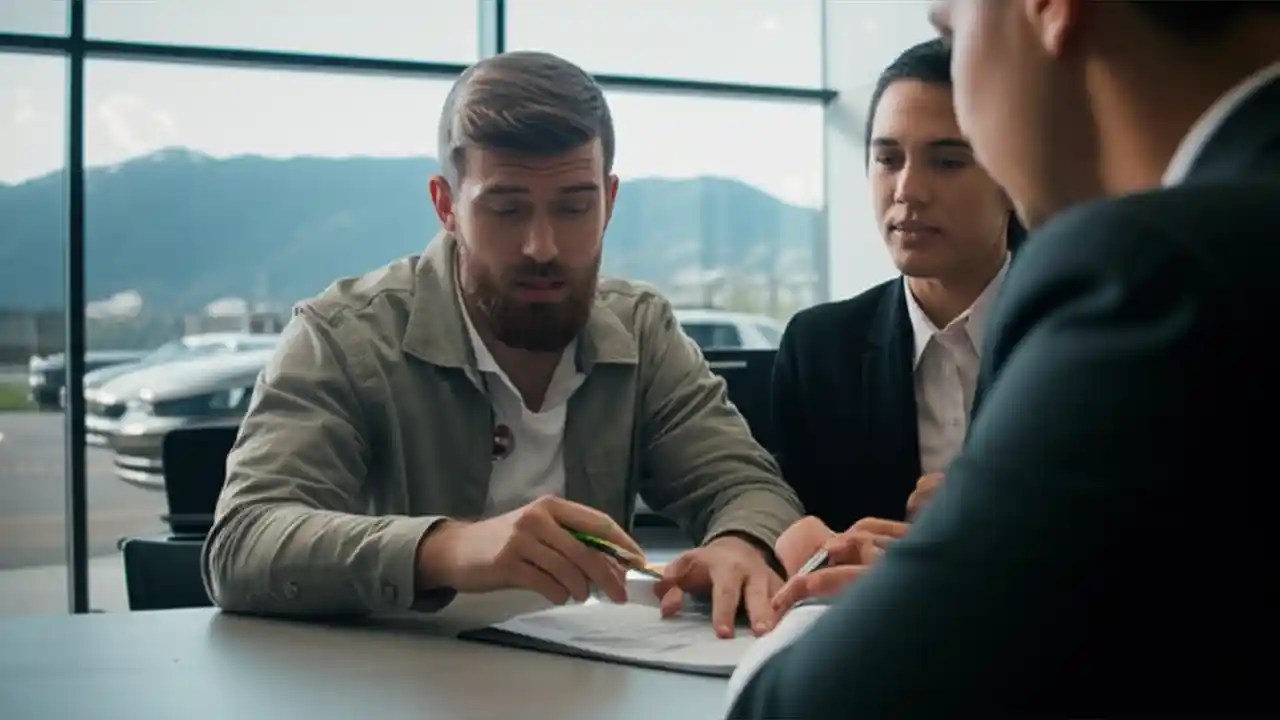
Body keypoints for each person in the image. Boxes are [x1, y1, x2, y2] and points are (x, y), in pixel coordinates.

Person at [728, 0, 1280, 715]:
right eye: (886, 157)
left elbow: (806, 705)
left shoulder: (1150, 274)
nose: (908, 189)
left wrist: (884, 606)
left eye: (952, 33)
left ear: (1050, 10)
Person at [201, 50, 804, 639]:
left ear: (610, 202)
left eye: (574, 208)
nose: (541, 246)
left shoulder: (641, 329)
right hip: (393, 694)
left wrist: (741, 543)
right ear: (447, 206)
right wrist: (448, 547)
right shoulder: (343, 334)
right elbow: (242, 543)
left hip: (591, 687)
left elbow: (747, 486)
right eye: (507, 209)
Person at [768, 37, 1021, 607]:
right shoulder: (820, 348)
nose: (907, 190)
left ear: (1011, 177)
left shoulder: (1079, 330)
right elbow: (798, 534)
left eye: (948, 161)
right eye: (888, 159)